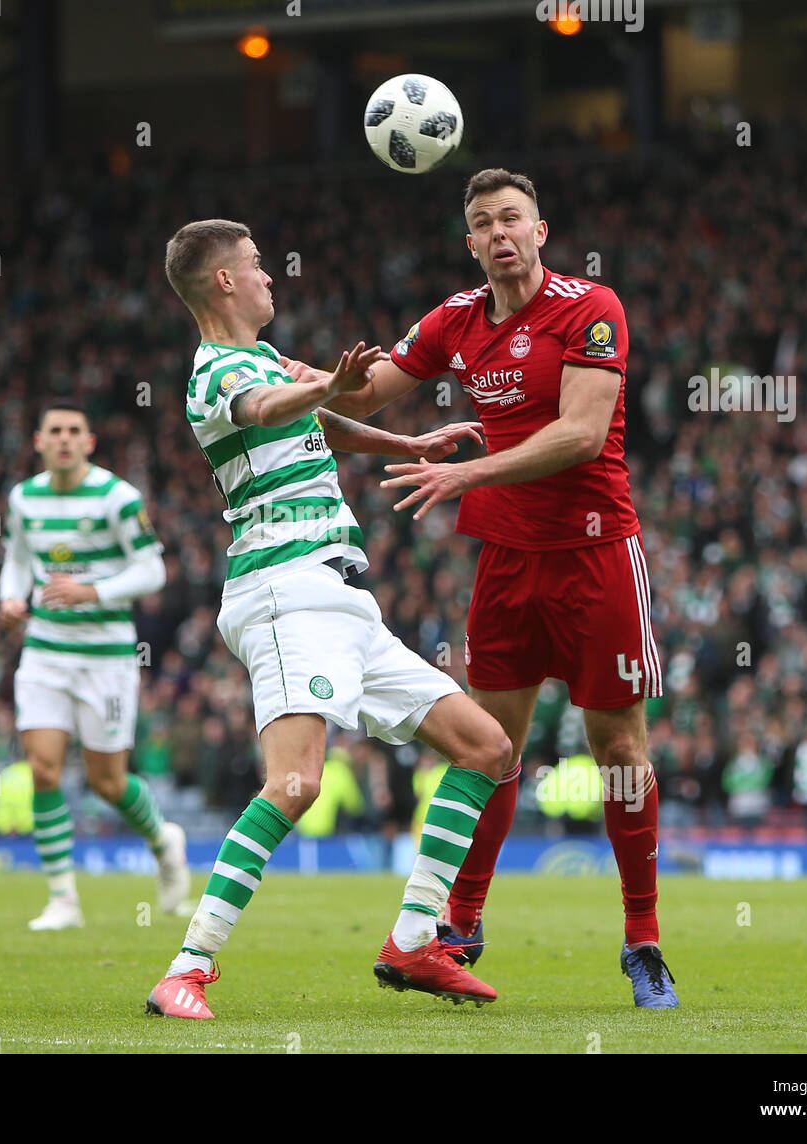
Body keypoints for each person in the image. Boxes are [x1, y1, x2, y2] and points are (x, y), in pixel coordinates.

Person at [312, 168, 678, 1008]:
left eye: (513, 217)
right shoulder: (455, 319)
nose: (500, 232)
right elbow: (362, 395)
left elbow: (583, 435)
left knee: (619, 751)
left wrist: (468, 474)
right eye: (483, 223)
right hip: (508, 563)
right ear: (470, 242)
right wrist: (278, 373)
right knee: (491, 750)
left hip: (595, 556)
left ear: (542, 229)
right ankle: (461, 926)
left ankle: (643, 940)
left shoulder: (591, 306)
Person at [145, 218, 514, 1020]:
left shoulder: (267, 359)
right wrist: (320, 386)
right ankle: (188, 966)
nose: (270, 275)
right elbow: (274, 404)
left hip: (344, 600)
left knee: (488, 747)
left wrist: (405, 441)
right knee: (296, 783)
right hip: (281, 588)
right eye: (256, 264)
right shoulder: (215, 370)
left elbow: (318, 418)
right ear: (223, 284)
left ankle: (415, 941)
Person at [0, 402, 188, 929]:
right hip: (44, 651)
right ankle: (63, 899)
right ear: (38, 440)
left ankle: (162, 839)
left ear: (90, 441)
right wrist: (12, 599)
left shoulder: (117, 498)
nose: (63, 439)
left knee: (108, 782)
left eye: (73, 431)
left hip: (106, 658)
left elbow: (152, 569)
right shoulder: (24, 498)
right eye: (54, 430)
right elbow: (16, 559)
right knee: (43, 769)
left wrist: (92, 591)